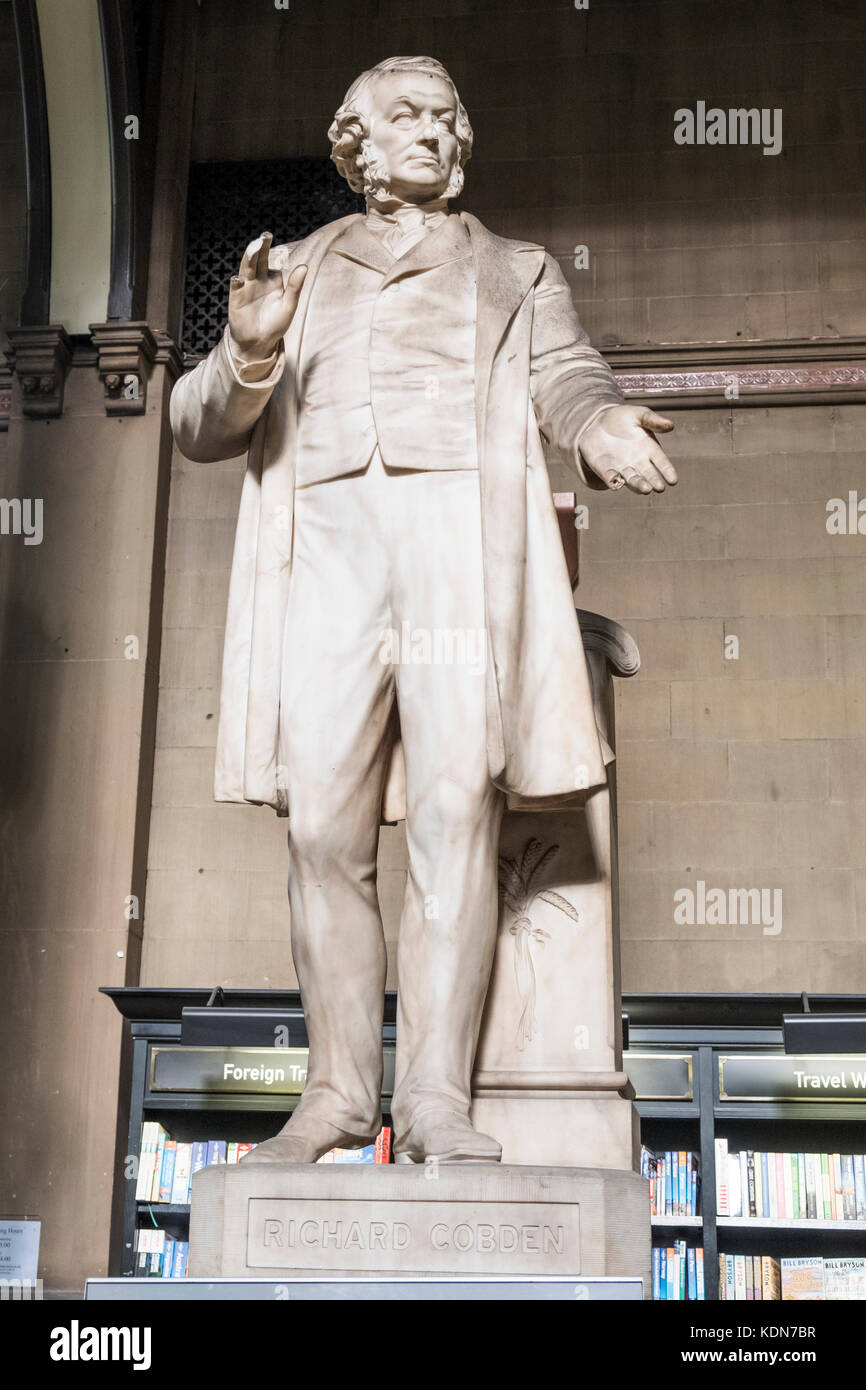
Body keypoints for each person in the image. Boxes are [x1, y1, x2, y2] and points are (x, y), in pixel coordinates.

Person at [170, 56, 677, 1165]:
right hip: (331, 551)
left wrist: (594, 426)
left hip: (459, 548)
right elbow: (197, 425)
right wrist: (248, 346)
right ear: (353, 140)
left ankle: (435, 1097)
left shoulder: (515, 267)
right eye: (407, 116)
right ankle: (339, 1092)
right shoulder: (294, 269)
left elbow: (567, 373)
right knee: (319, 830)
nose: (434, 134)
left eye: (448, 119)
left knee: (456, 822)